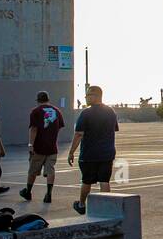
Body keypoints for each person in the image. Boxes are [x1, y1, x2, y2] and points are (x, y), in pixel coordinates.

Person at [67, 85, 119, 214]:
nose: (86, 98)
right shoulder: (110, 111)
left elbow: (79, 134)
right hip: (107, 153)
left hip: (89, 154)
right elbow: (114, 130)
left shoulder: (86, 113)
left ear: (96, 96)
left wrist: (71, 151)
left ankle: (81, 204)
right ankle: (106, 207)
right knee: (104, 181)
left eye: (88, 95)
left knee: (87, 180)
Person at [20, 90, 64, 204]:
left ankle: (28, 191)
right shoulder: (57, 111)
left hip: (39, 147)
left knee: (33, 170)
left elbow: (33, 129)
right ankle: (48, 194)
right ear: (48, 99)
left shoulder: (35, 111)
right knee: (50, 171)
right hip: (52, 147)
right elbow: (59, 127)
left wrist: (31, 145)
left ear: (38, 100)